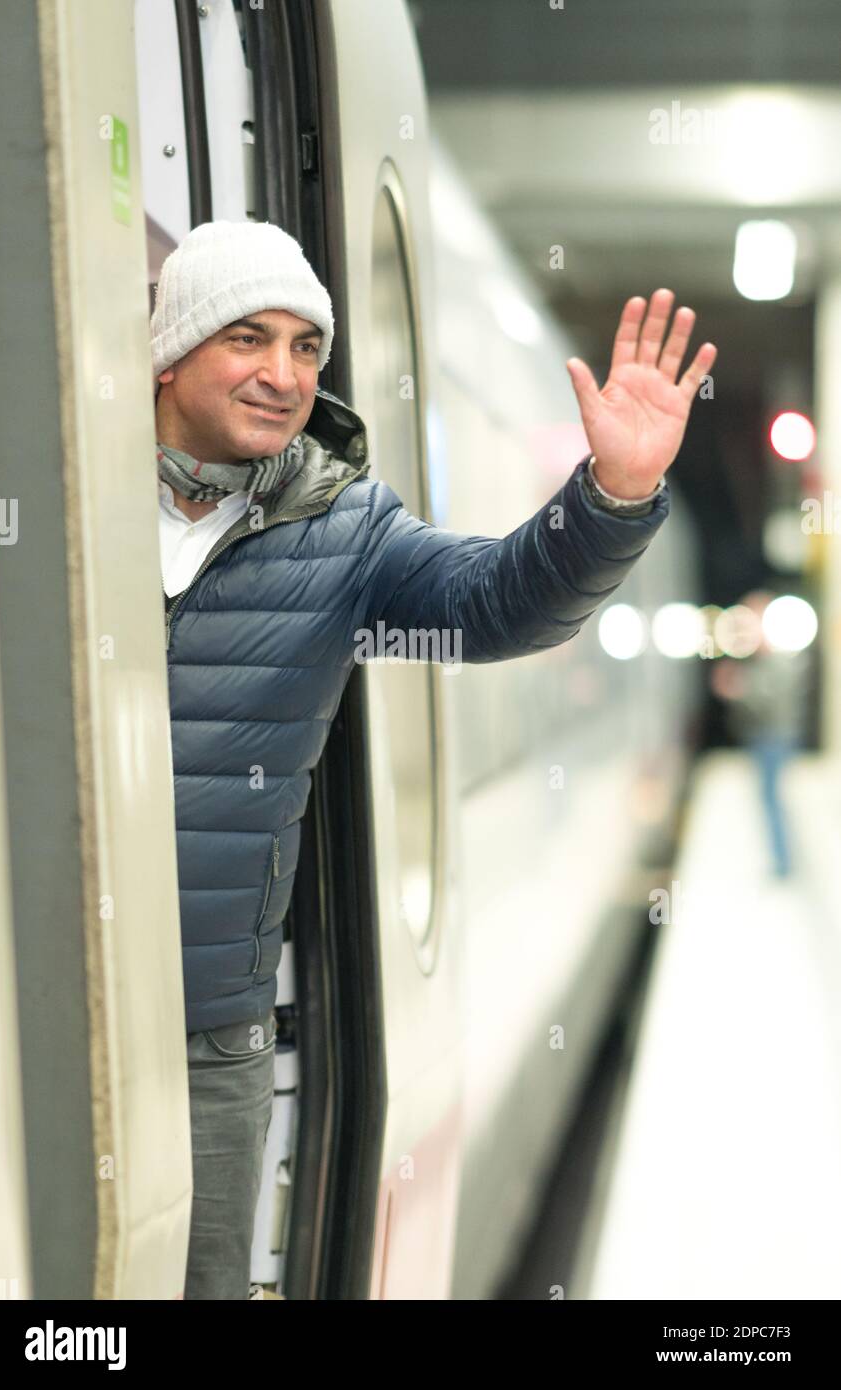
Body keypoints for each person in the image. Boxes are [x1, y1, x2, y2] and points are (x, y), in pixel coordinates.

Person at [150, 219, 717, 1298]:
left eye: (306, 349)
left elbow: (498, 603)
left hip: (204, 1037)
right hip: (35, 996)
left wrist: (612, 495)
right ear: (171, 350)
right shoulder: (63, 498)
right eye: (247, 339)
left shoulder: (342, 529)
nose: (282, 375)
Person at [711, 589, 812, 878]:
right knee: (771, 798)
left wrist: (738, 690)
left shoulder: (779, 657)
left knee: (772, 799)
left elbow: (770, 701)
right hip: (772, 736)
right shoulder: (772, 658)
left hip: (773, 737)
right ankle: (782, 861)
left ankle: (783, 865)